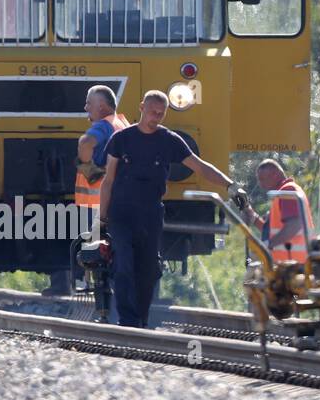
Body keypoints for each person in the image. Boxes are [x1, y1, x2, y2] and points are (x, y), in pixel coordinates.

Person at [97, 89, 240, 328]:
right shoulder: (121, 139)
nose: (156, 117)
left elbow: (200, 167)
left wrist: (231, 185)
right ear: (142, 107)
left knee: (149, 268)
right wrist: (102, 219)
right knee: (123, 263)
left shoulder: (169, 140)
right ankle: (127, 320)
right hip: (121, 213)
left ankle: (140, 319)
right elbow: (108, 180)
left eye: (161, 114)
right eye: (153, 111)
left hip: (150, 213)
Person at [73, 84, 130, 312]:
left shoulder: (103, 126)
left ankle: (103, 307)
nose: (86, 107)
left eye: (89, 103)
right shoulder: (122, 123)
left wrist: (87, 168)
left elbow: (85, 143)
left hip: (98, 202)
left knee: (97, 254)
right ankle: (117, 303)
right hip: (119, 198)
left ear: (102, 106)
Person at [241, 159, 314, 261]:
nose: (260, 185)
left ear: (275, 174)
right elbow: (272, 232)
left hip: (294, 263)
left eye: (262, 179)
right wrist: (252, 215)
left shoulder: (288, 191)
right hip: (289, 263)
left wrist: (267, 245)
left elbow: (294, 225)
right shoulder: (283, 193)